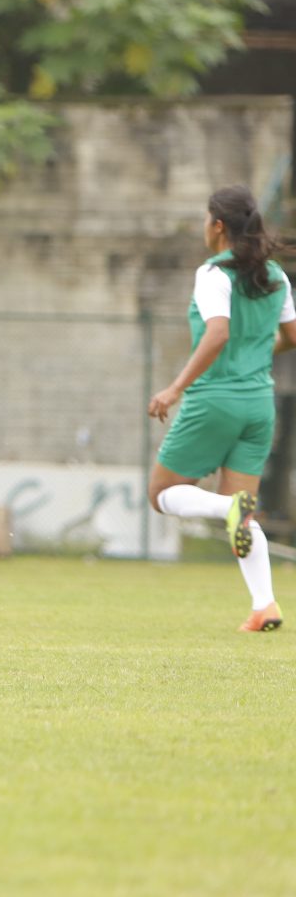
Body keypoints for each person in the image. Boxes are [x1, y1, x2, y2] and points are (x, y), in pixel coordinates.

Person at [148, 185, 296, 632]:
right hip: (258, 404)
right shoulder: (276, 275)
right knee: (241, 509)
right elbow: (291, 337)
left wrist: (174, 389)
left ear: (217, 225)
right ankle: (264, 605)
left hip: (215, 400)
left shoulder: (213, 273)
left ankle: (227, 511)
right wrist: (258, 349)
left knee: (161, 495)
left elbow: (217, 334)